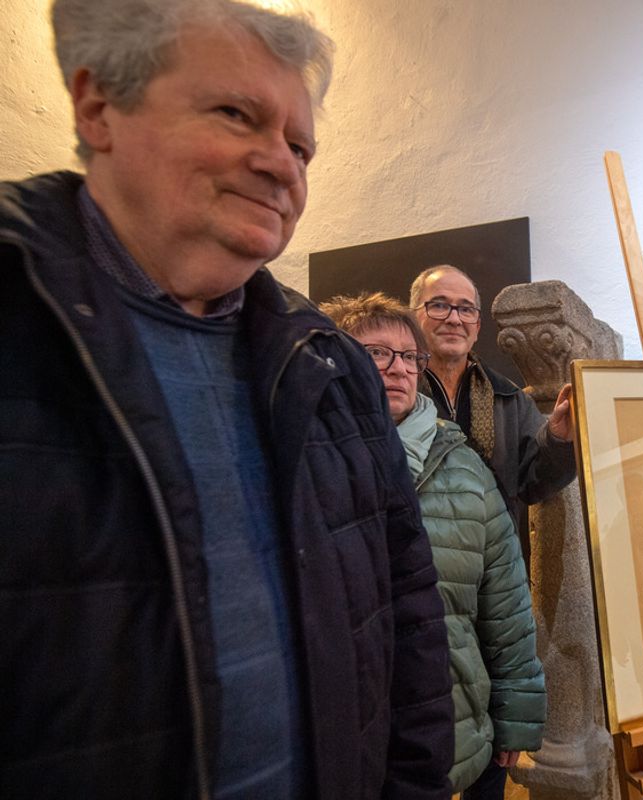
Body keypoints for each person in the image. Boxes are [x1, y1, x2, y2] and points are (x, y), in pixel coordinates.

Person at [0, 2, 452, 797]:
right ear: (98, 107)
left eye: (301, 146)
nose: (282, 165)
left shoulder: (332, 366)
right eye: (237, 115)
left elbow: (407, 615)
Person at [321, 292, 546, 799]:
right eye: (377, 353)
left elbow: (505, 602)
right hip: (343, 724)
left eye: (408, 356)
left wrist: (515, 715)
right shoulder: (308, 459)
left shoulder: (462, 464)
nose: (398, 369)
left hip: (451, 716)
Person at [409, 265, 576, 536]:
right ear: (413, 317)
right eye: (439, 306)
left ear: (477, 327)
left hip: (495, 555)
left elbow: (535, 484)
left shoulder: (509, 398)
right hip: (415, 552)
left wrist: (558, 440)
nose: (454, 319)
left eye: (466, 309)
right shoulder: (393, 392)